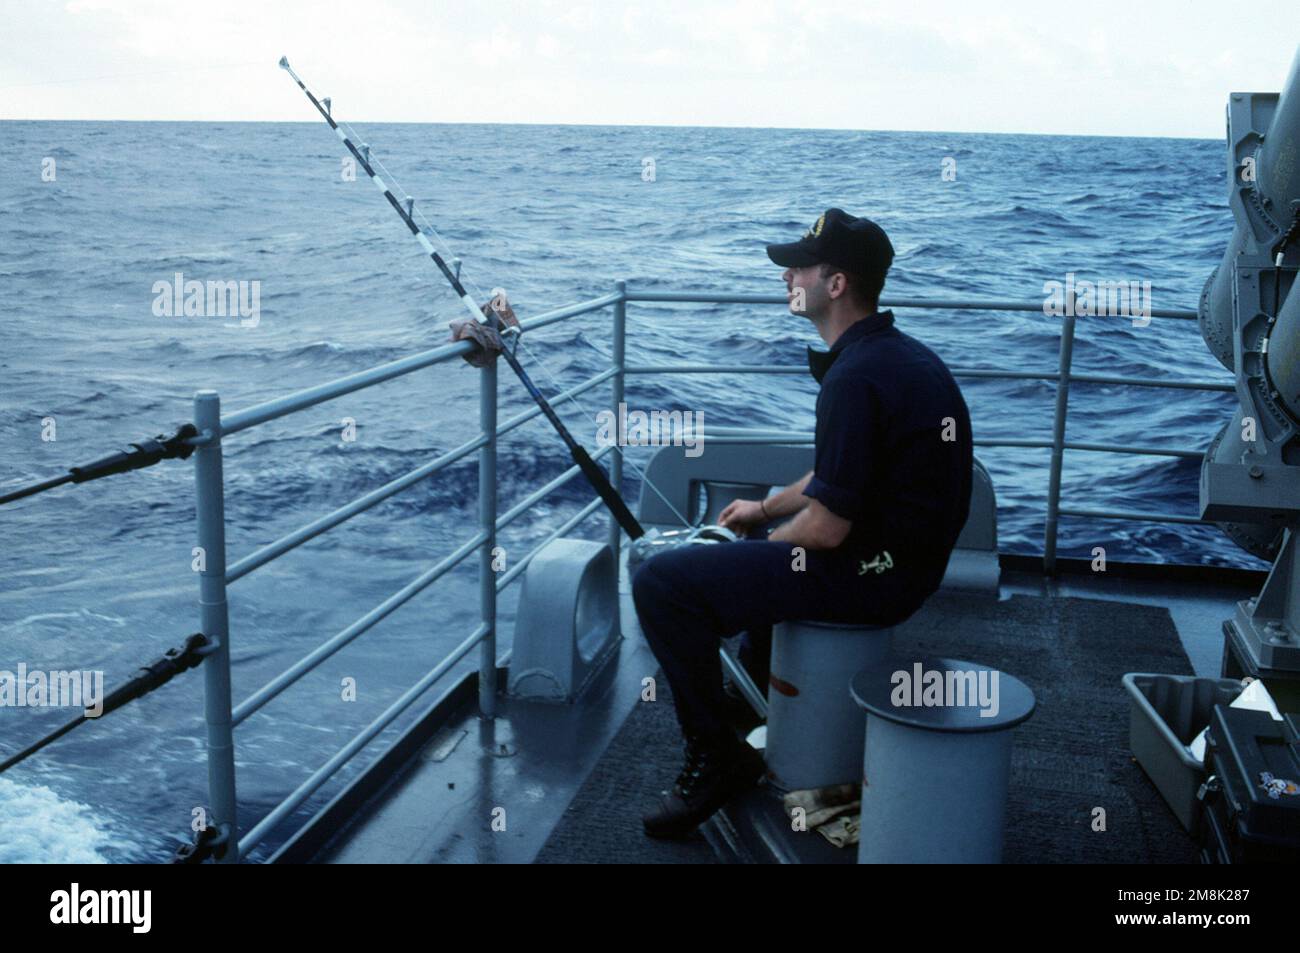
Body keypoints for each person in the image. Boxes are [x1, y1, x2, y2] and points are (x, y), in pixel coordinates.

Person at [631, 208, 974, 839]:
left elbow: (827, 531)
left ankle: (715, 755)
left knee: (662, 582)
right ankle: (747, 697)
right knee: (760, 546)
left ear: (836, 284)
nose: (787, 277)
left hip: (875, 576)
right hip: (902, 562)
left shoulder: (855, 377)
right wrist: (761, 513)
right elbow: (836, 478)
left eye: (799, 268)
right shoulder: (892, 358)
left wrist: (730, 547)